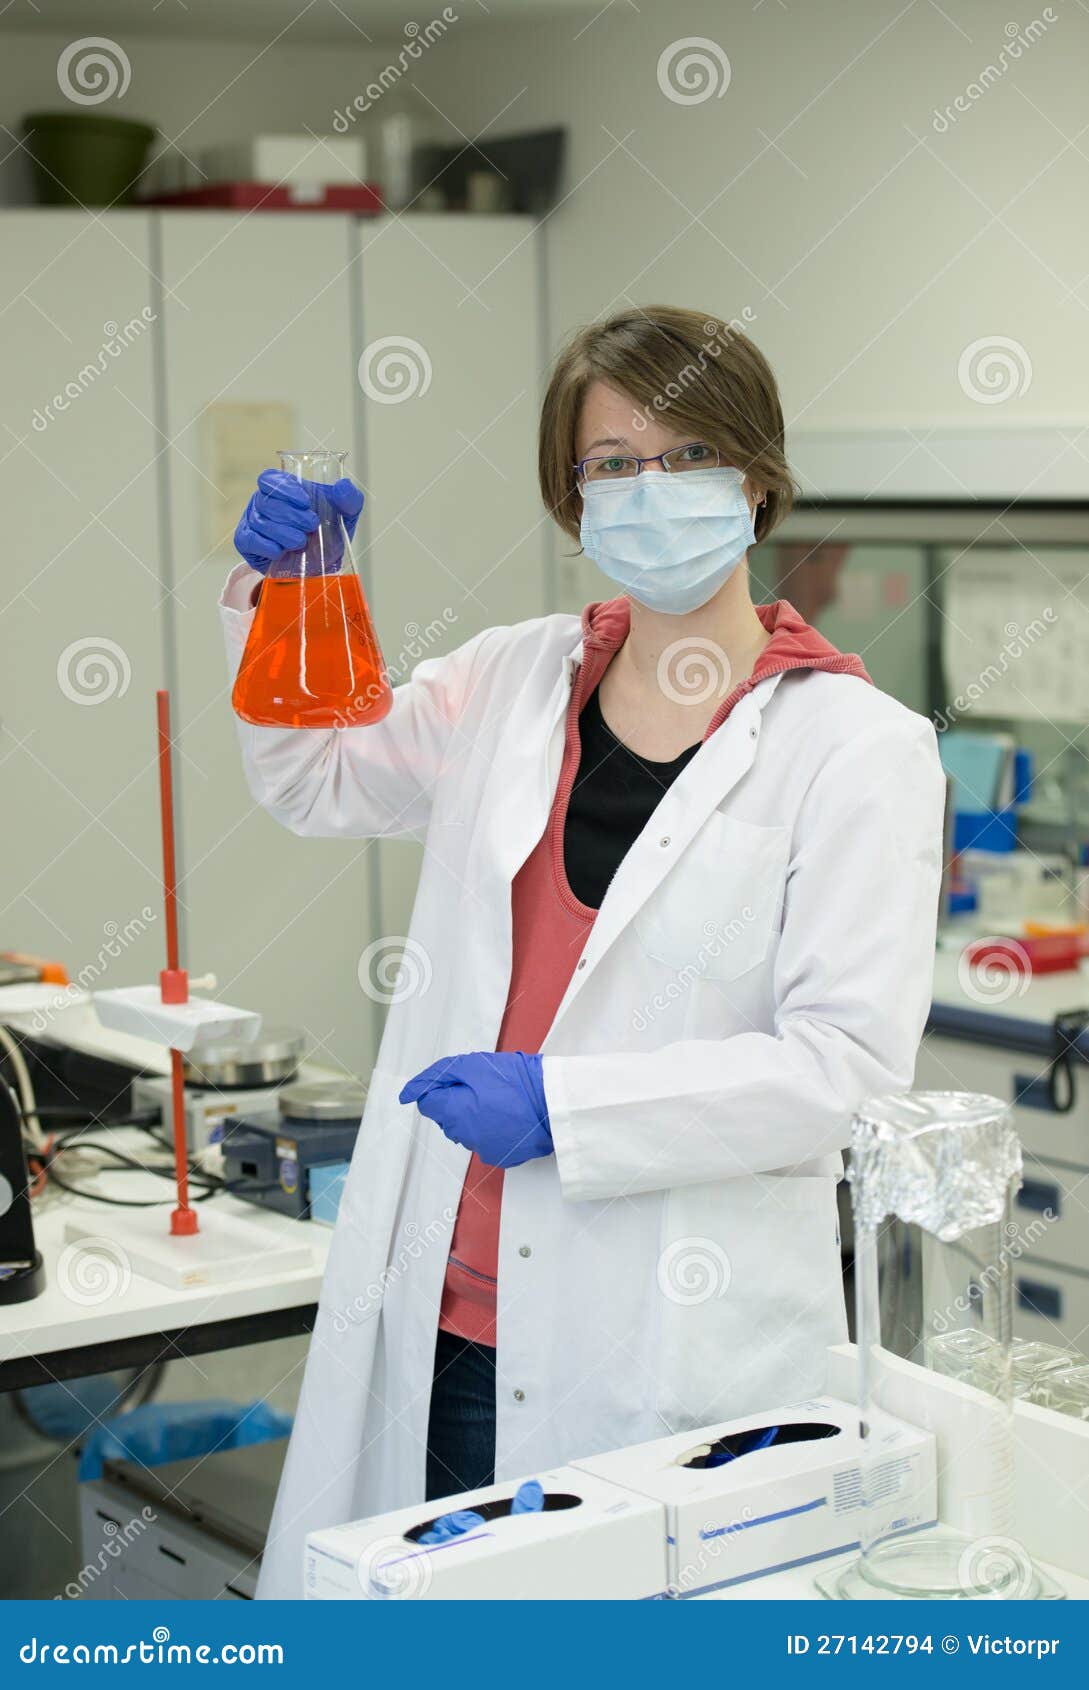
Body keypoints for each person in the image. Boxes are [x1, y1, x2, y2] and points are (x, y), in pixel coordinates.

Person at [220, 305, 945, 1598]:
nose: (648, 489)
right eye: (612, 463)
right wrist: (291, 598)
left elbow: (842, 1071)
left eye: (686, 455)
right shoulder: (511, 680)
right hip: (442, 1318)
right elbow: (316, 777)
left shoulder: (855, 748)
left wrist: (565, 1107)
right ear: (573, 497)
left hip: (662, 1346)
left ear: (757, 477)